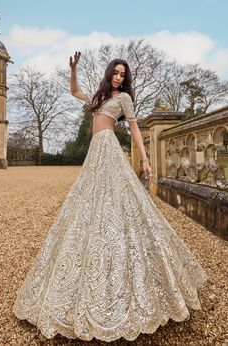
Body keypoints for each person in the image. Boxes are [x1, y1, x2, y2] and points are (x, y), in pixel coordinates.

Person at [13, 52, 208, 342]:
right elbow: (74, 91)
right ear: (109, 74)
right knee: (88, 205)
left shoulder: (125, 99)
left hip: (109, 150)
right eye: (115, 73)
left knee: (121, 204)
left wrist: (145, 160)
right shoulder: (99, 96)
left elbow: (135, 132)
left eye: (122, 74)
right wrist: (74, 69)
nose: (119, 77)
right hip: (95, 151)